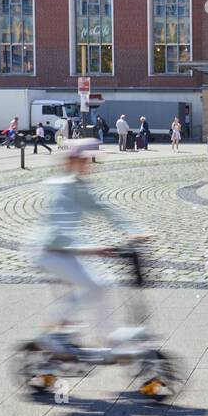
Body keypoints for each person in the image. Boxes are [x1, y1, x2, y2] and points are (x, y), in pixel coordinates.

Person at [32, 138, 143, 339]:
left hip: (63, 252)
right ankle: (54, 325)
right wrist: (90, 249)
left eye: (89, 160)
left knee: (103, 283)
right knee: (96, 286)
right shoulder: (64, 186)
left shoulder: (77, 185)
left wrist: (133, 230)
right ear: (72, 161)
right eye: (84, 161)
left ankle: (102, 335)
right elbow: (61, 226)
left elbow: (102, 208)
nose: (89, 165)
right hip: (49, 252)